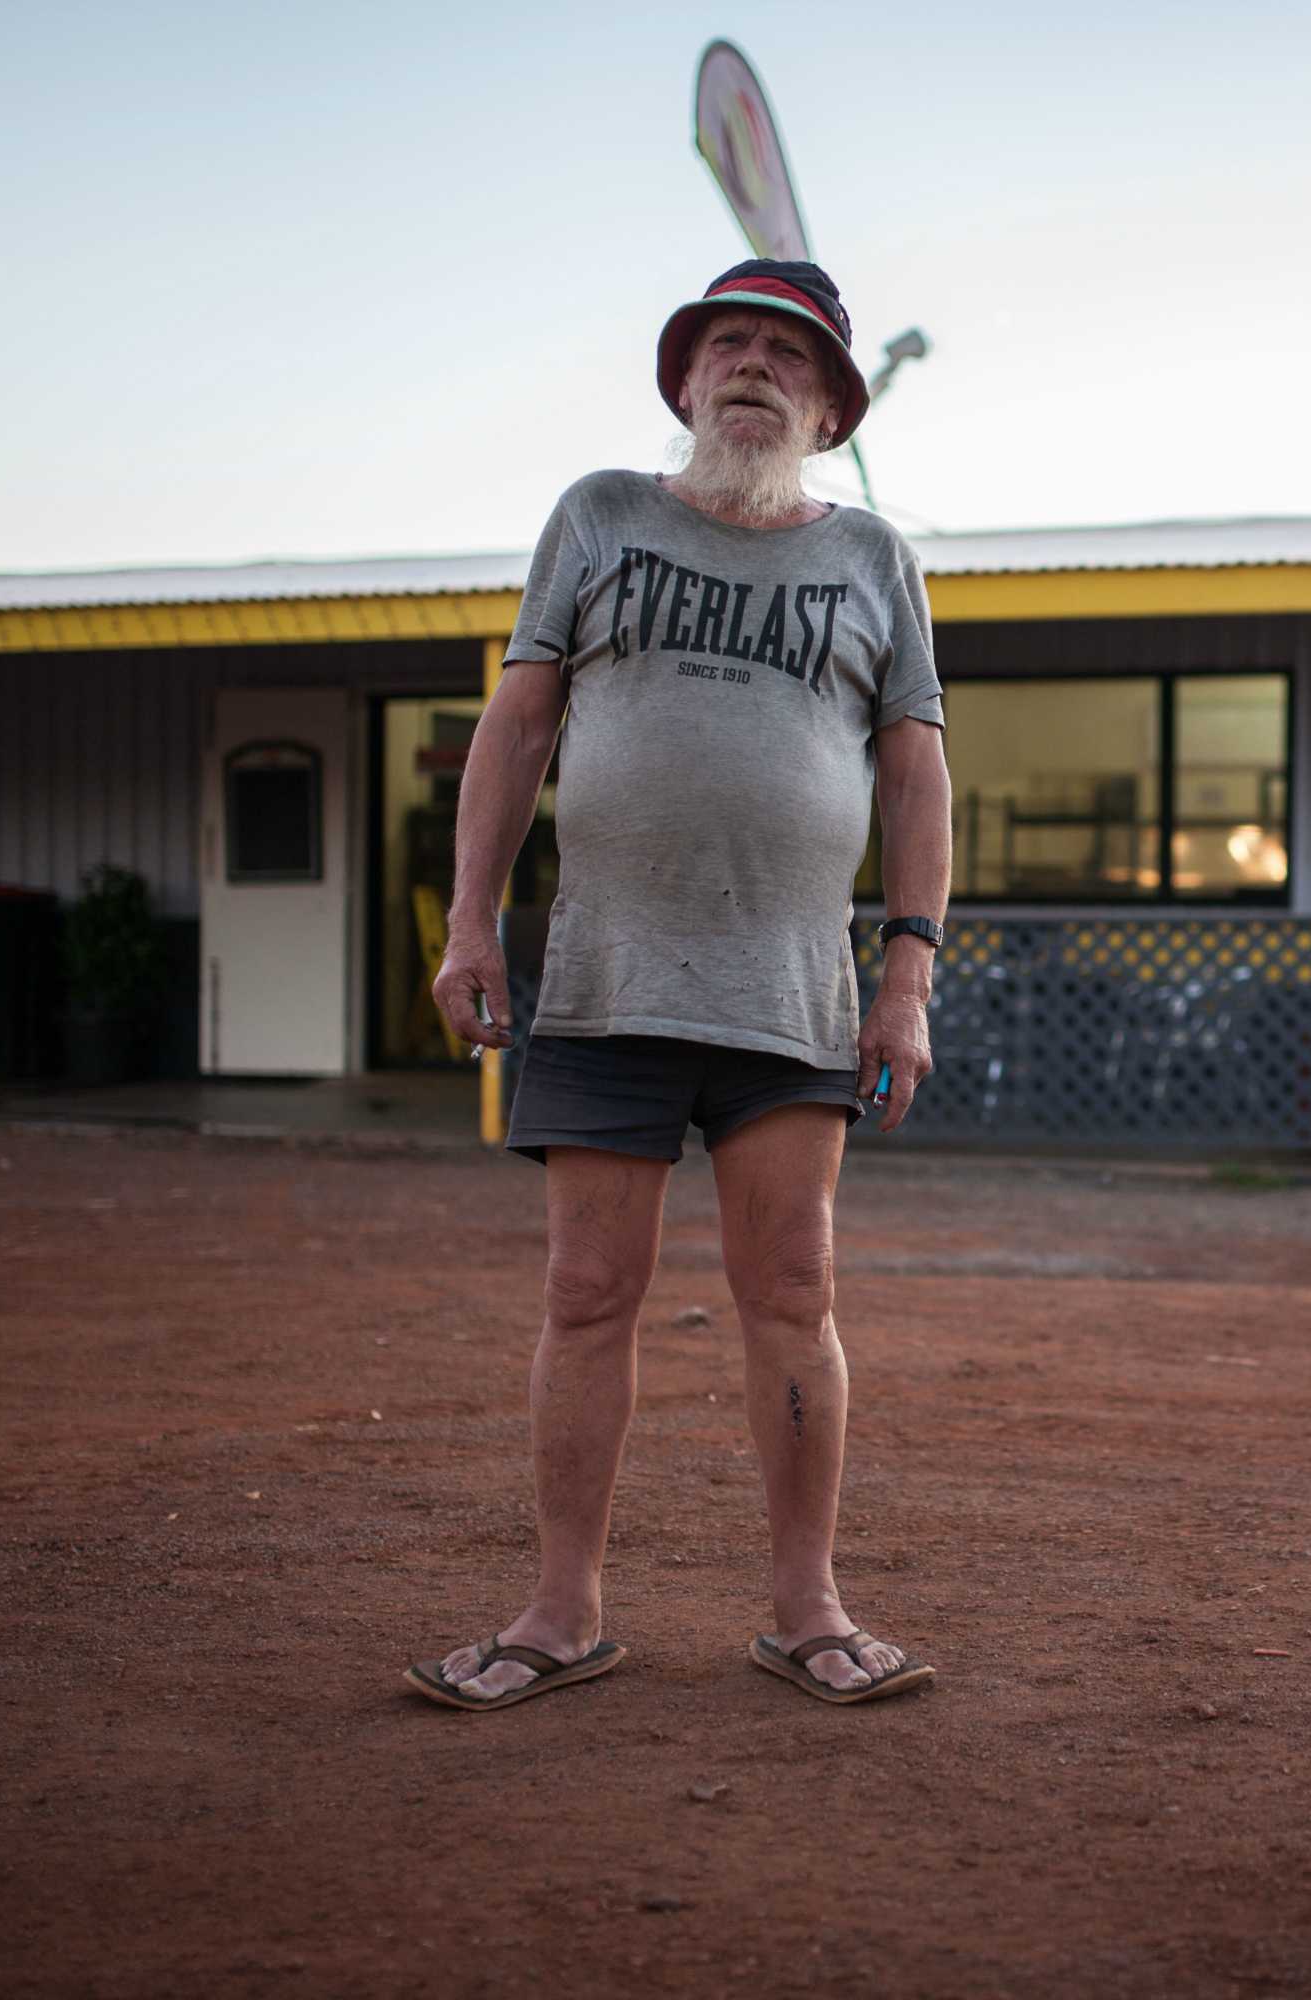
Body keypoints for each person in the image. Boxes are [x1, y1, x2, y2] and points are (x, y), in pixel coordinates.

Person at [404, 258, 952, 1711]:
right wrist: (471, 926)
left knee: (793, 1286)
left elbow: (914, 769)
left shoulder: (875, 557)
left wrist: (909, 972)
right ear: (685, 383)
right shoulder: (602, 515)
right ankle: (561, 1611)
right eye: (729, 344)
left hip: (790, 993)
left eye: (788, 353)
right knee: (587, 1292)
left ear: (832, 409)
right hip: (604, 974)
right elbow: (516, 731)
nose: (754, 365)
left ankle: (807, 1611)